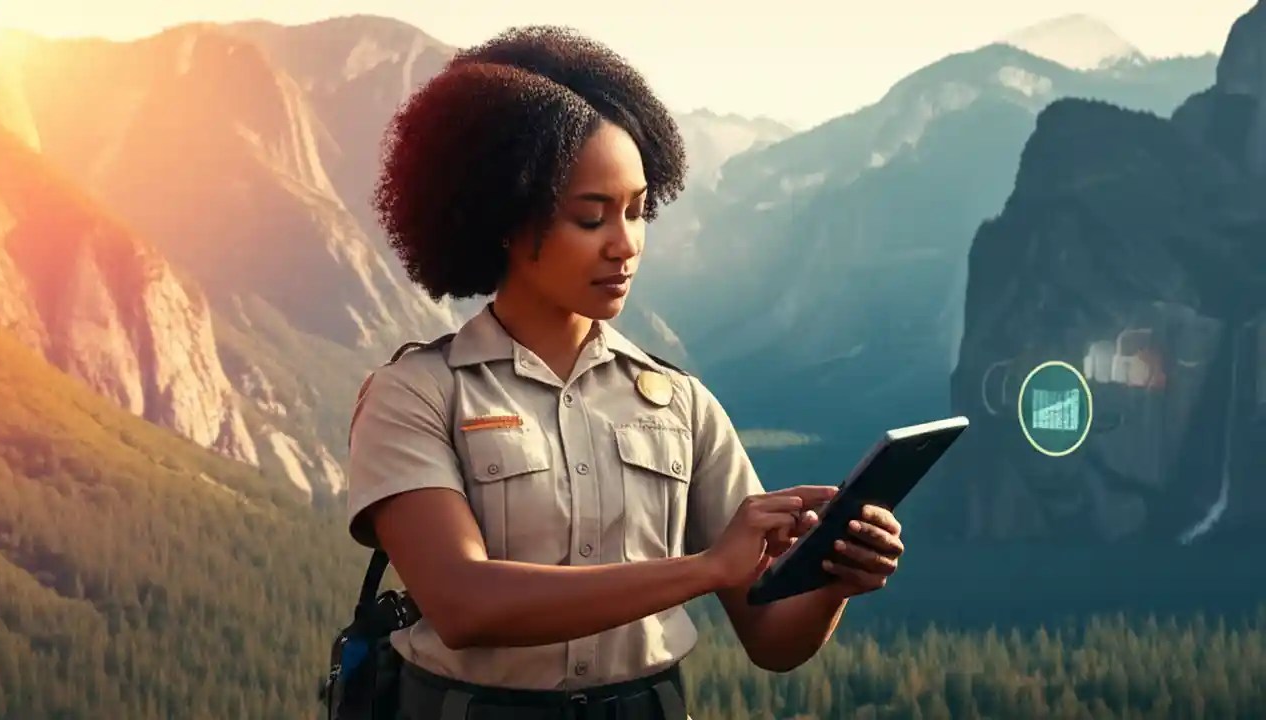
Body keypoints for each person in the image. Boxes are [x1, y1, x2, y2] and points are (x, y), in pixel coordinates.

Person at [345, 25, 906, 720]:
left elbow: (772, 639)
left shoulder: (683, 406)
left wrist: (832, 580)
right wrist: (704, 569)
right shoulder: (415, 395)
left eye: (639, 211)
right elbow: (463, 604)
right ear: (505, 221)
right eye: (591, 217)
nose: (626, 244)